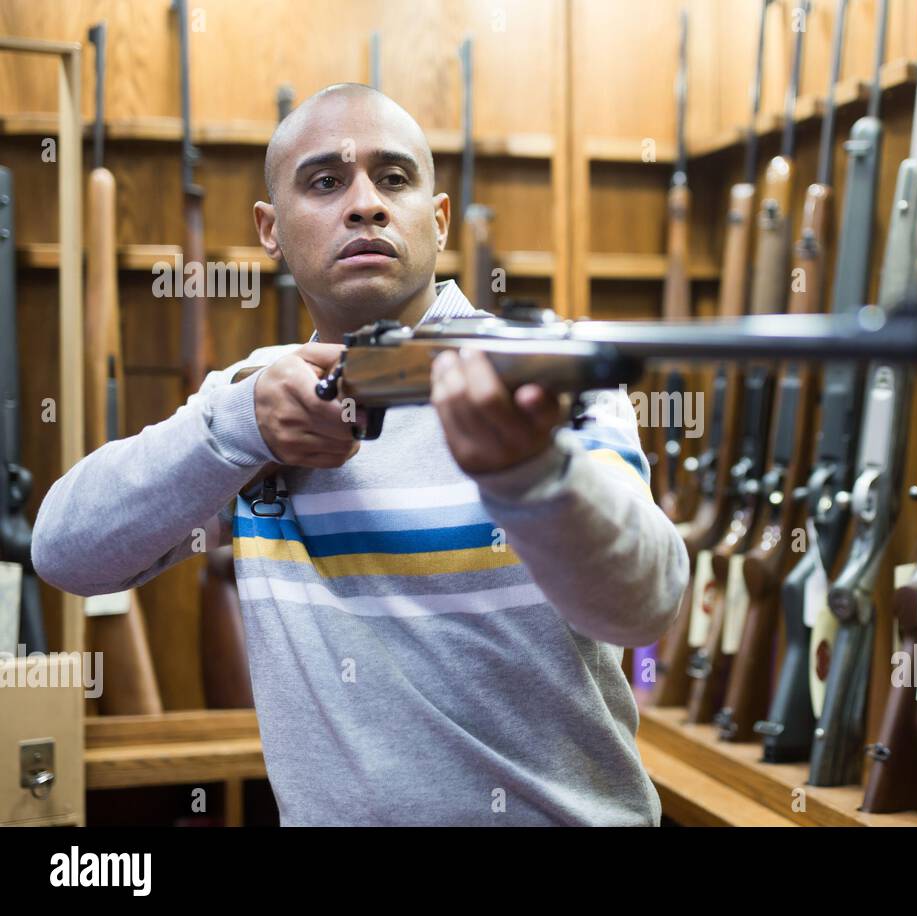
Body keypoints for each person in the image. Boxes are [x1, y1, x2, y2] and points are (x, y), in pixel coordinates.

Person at [33, 83, 688, 826]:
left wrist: (530, 476)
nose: (366, 203)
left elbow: (647, 605)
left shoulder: (542, 375)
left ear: (437, 222)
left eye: (396, 178)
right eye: (325, 182)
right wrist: (233, 428)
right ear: (270, 229)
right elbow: (63, 553)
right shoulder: (255, 401)